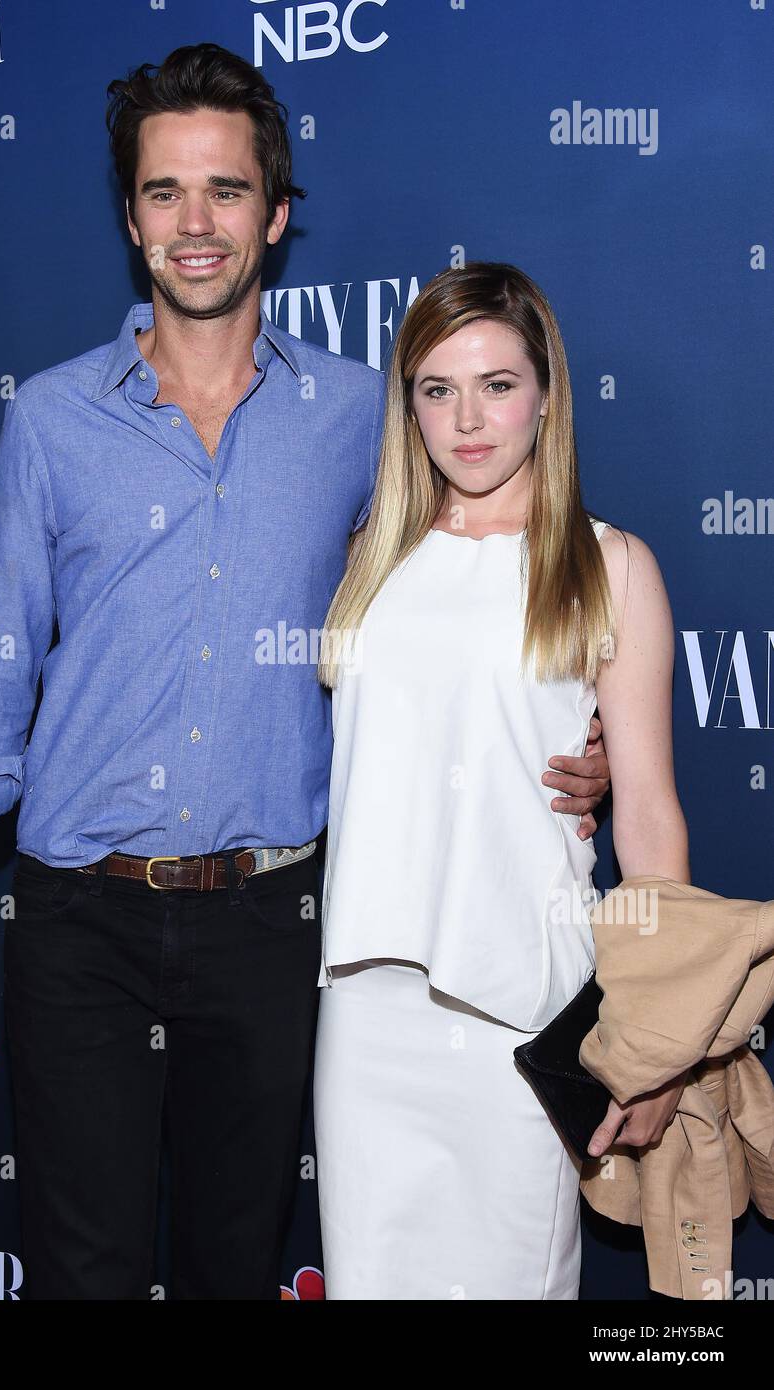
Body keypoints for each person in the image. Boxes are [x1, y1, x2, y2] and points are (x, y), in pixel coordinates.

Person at [0, 47, 610, 1300]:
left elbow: (462, 605)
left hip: (272, 926)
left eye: (225, 192)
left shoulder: (364, 417)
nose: (195, 223)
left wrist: (576, 724)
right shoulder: (54, 419)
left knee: (239, 1270)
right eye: (165, 193)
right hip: (79, 925)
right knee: (86, 1277)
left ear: (274, 217)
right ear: (130, 219)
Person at [313, 262, 691, 1300]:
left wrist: (657, 1041)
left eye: (498, 384)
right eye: (437, 389)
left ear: (547, 395)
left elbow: (651, 821)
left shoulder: (609, 567)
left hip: (522, 1013)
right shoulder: (368, 563)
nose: (468, 419)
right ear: (410, 407)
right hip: (365, 1009)